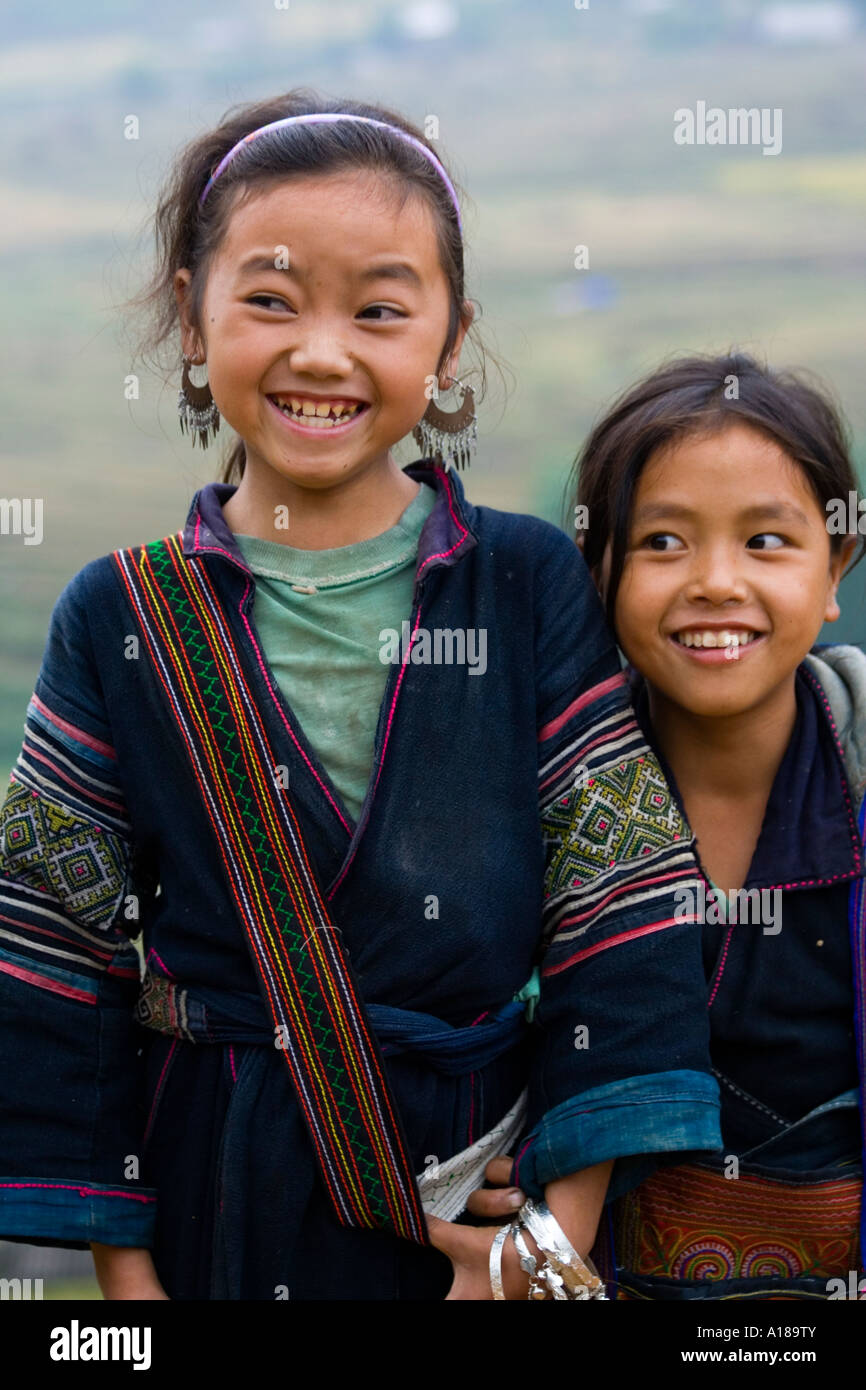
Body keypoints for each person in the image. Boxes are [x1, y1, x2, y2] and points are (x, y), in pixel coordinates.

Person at [0, 93, 722, 1301]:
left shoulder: (521, 581)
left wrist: (543, 1247)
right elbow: (58, 964)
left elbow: (619, 920)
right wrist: (130, 1288)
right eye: (270, 300)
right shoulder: (116, 617)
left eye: (380, 310)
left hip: (478, 1199)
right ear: (191, 315)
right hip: (210, 1199)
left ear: (448, 341)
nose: (323, 353)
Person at [471, 352, 866, 1300]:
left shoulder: (856, 772)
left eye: (767, 541)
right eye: (661, 543)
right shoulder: (540, 794)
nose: (716, 582)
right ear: (595, 576)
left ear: (834, 570)